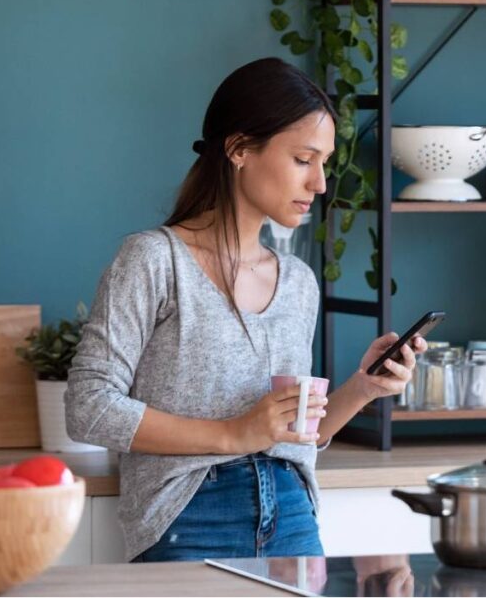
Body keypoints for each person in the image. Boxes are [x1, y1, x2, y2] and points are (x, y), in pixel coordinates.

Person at [65, 57, 422, 563]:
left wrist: (364, 387)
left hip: (294, 516)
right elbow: (89, 407)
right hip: (188, 516)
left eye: (324, 163)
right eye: (303, 159)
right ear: (238, 150)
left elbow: (297, 433)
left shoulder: (298, 282)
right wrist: (232, 434)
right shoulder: (152, 260)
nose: (320, 184)